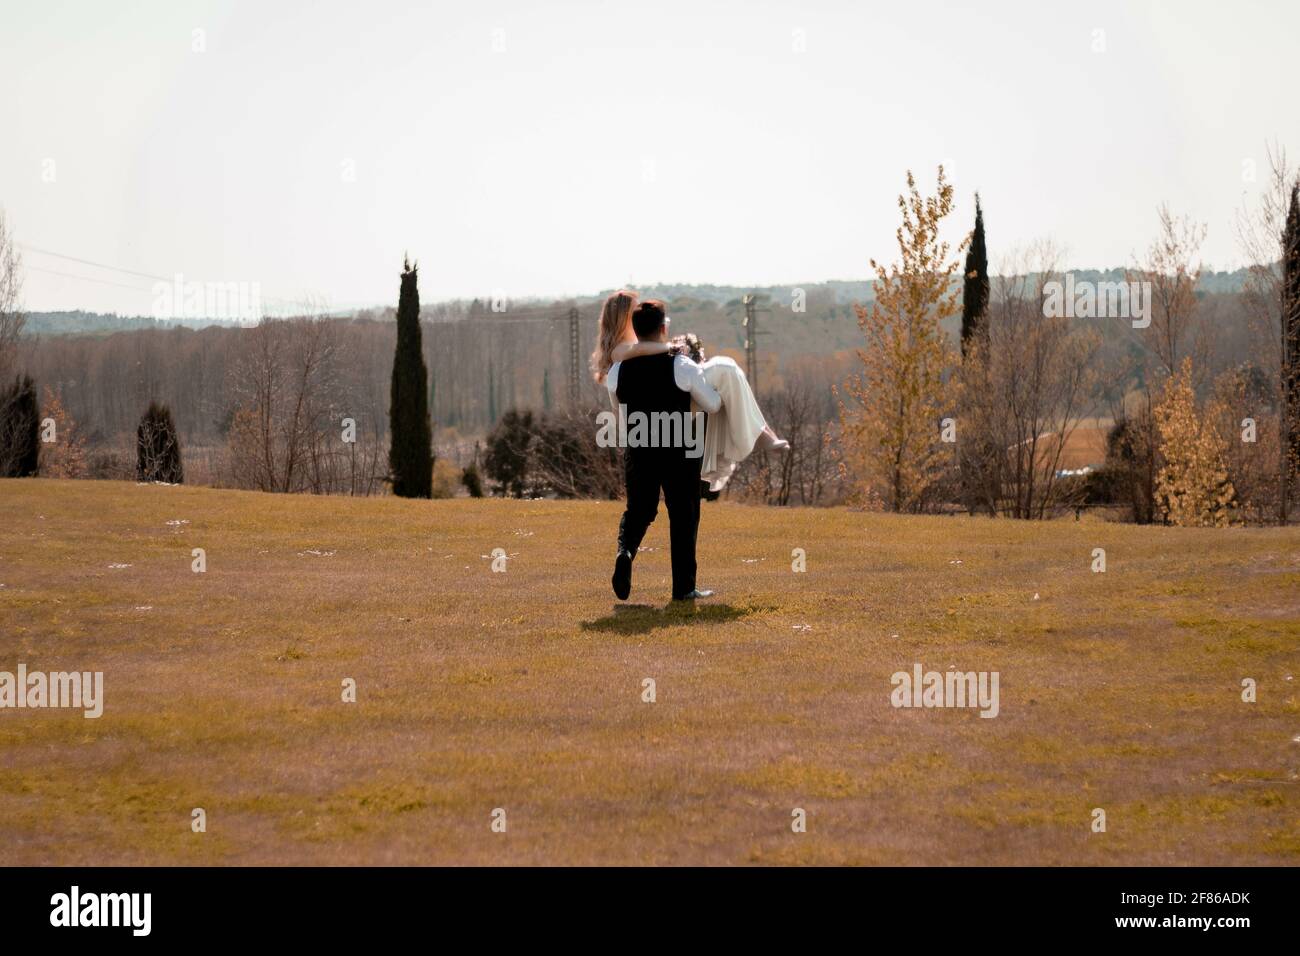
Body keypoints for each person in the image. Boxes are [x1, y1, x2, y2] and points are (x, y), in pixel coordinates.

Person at [591, 289, 788, 493]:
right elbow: (649, 352)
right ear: (624, 318)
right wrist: (675, 349)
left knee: (725, 374)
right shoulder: (622, 350)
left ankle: (755, 434)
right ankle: (755, 435)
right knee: (725, 369)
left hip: (663, 399)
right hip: (665, 402)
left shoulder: (625, 347)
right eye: (634, 312)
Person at [605, 300, 719, 602]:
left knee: (639, 511)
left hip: (640, 450)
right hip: (679, 451)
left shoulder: (617, 371)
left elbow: (620, 414)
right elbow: (713, 404)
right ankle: (683, 588)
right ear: (664, 328)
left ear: (635, 331)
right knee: (684, 514)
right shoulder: (682, 366)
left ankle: (626, 552)